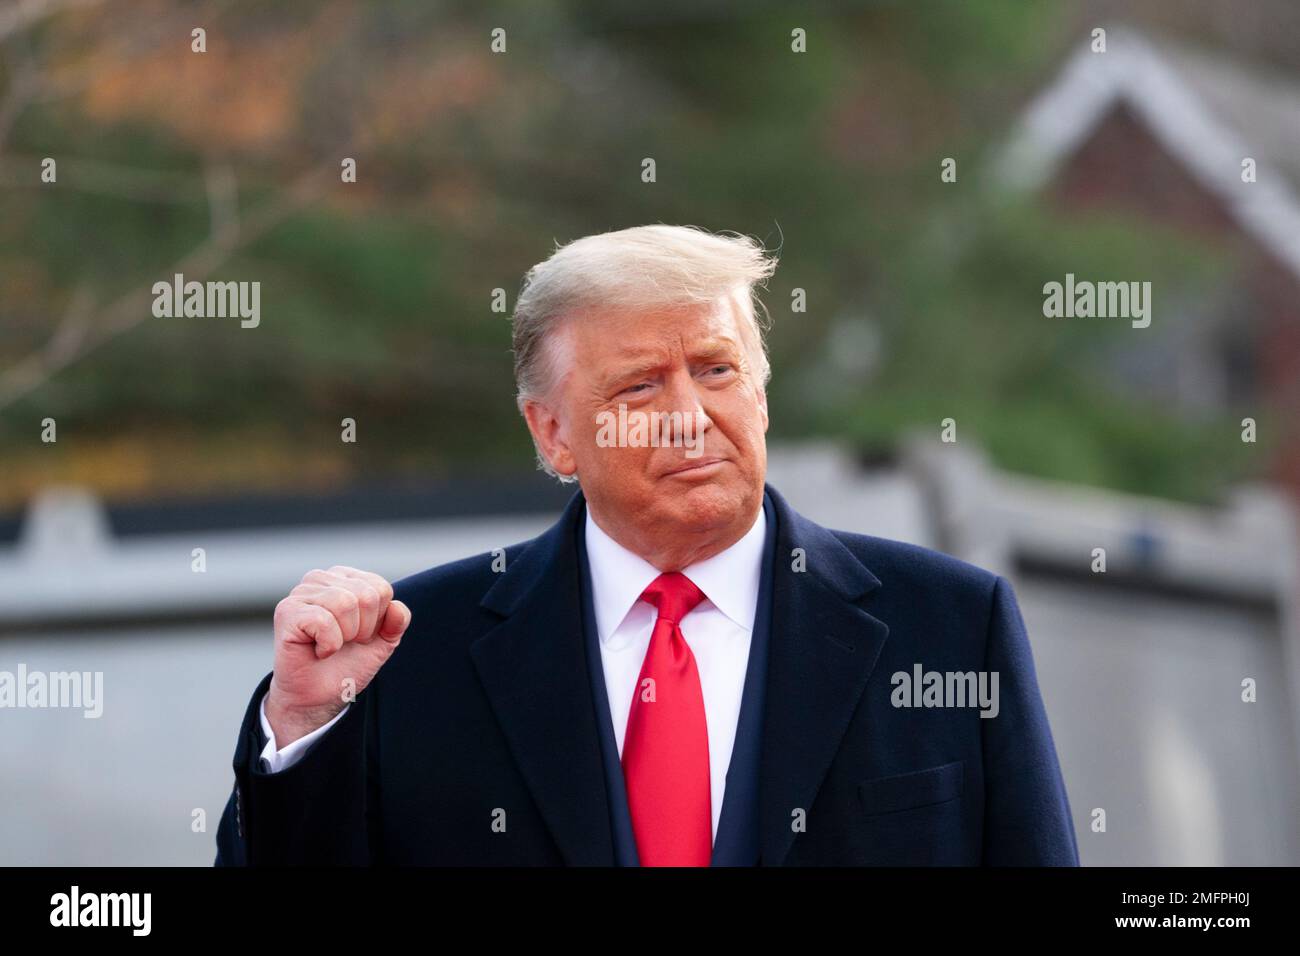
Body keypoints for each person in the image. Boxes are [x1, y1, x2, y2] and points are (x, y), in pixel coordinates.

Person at [215, 224, 1079, 866]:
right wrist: (303, 731)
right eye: (639, 385)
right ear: (552, 434)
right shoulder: (412, 651)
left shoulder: (951, 624)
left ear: (763, 398)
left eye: (716, 369)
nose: (691, 416)